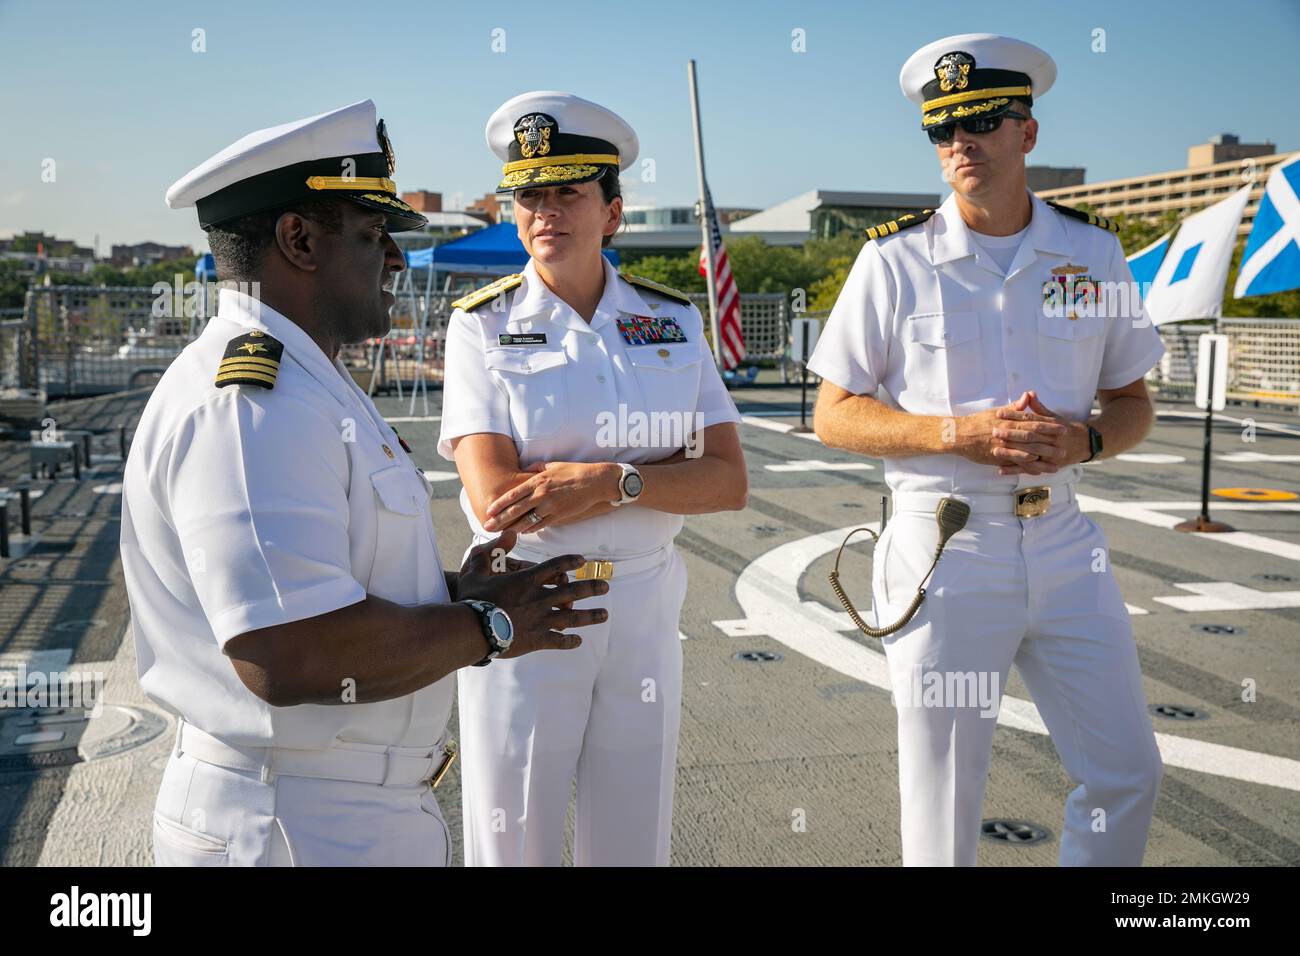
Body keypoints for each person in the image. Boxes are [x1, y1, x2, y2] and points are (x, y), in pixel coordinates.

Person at [122, 99, 605, 866]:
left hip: (331, 808)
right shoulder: (257, 404)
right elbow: (287, 652)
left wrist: (454, 596)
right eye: (374, 235)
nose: (397, 260)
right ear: (300, 239)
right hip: (297, 819)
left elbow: (328, 587)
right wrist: (489, 627)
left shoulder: (309, 384)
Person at [808, 34, 1166, 866]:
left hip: (1067, 544)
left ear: (1027, 133)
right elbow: (834, 414)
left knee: (1126, 771)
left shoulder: (1092, 251)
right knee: (942, 799)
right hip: (946, 544)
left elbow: (1135, 400)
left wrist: (1088, 438)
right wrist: (954, 433)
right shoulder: (893, 259)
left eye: (980, 122)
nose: (958, 144)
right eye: (942, 131)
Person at [438, 91, 747, 866]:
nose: (546, 212)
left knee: (633, 841)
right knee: (516, 841)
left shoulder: (671, 321)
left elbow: (728, 480)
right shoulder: (480, 325)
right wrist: (661, 472)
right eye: (529, 196)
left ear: (611, 212)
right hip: (529, 601)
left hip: (644, 605)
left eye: (568, 193)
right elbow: (496, 500)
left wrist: (614, 482)